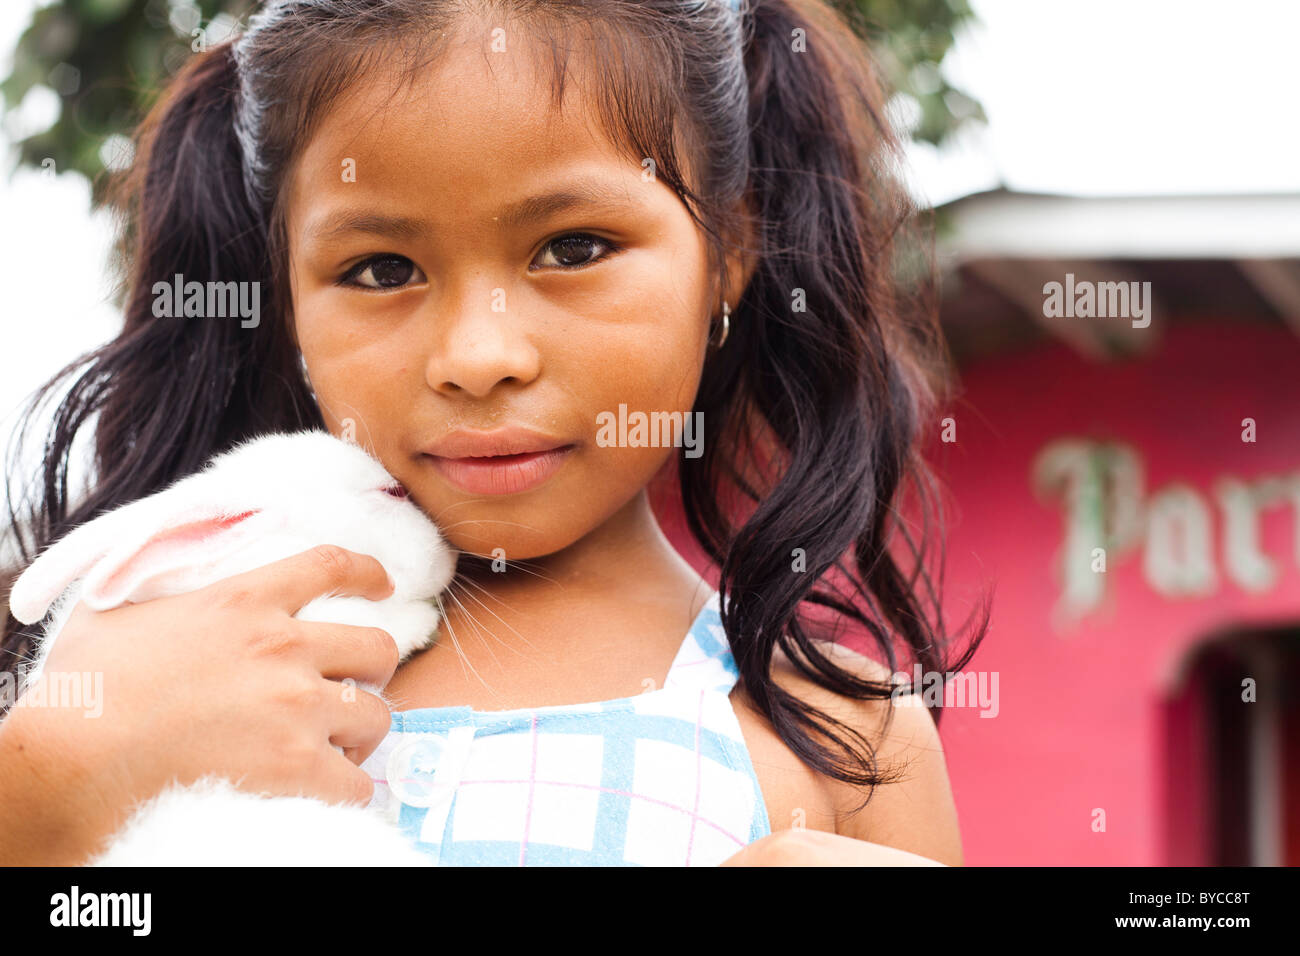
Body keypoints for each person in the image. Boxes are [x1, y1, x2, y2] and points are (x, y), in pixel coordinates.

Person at [0, 0, 986, 866]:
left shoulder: (841, 736)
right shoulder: (153, 663)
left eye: (573, 247)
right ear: (286, 295)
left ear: (727, 253)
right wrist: (48, 792)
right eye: (382, 268)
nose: (476, 356)